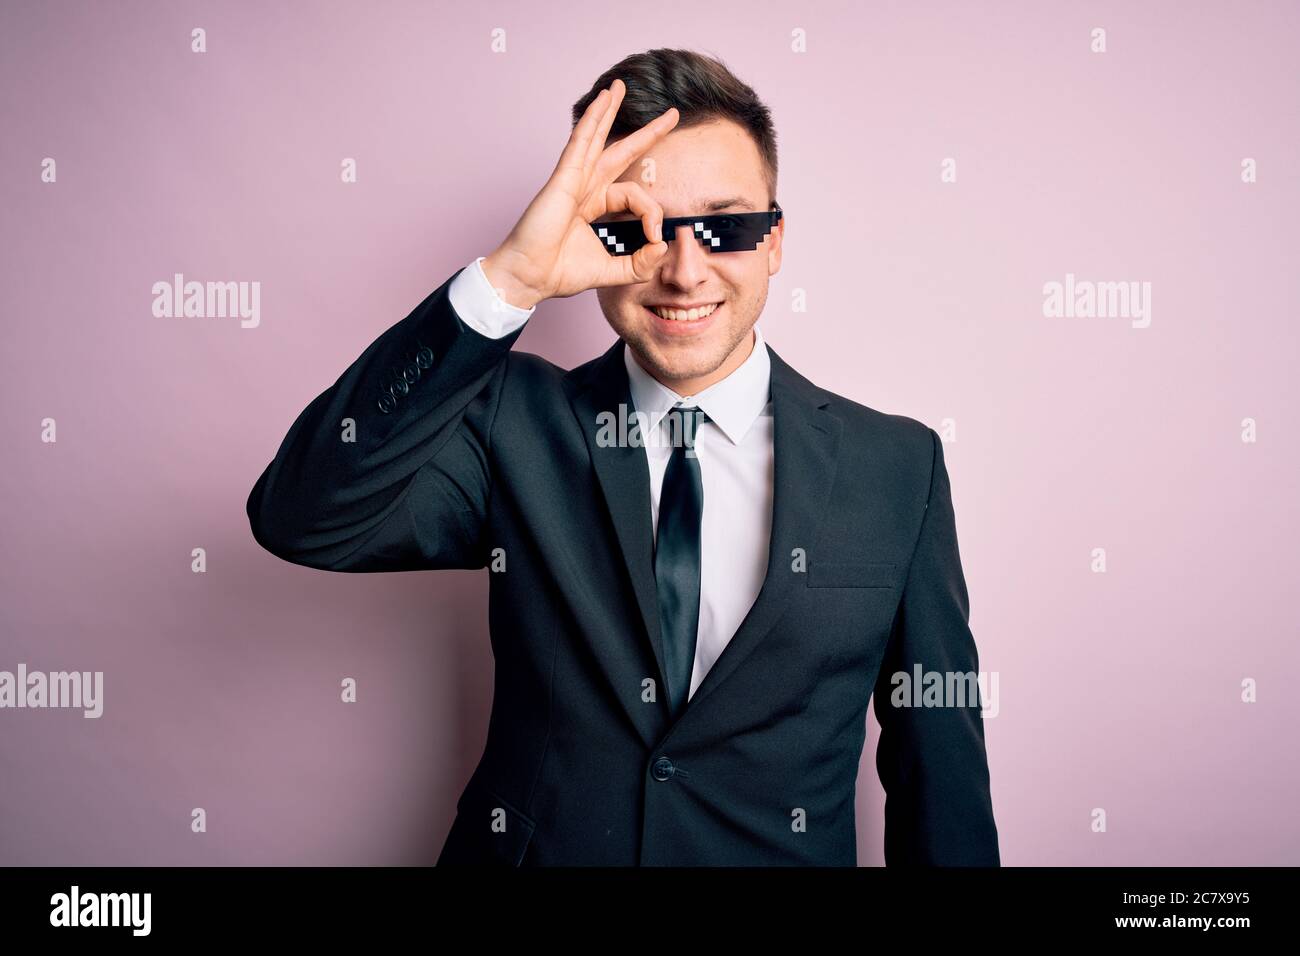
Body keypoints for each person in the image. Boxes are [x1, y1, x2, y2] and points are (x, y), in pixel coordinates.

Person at [246, 48, 999, 866]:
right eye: (635, 230)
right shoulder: (513, 421)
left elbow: (940, 774)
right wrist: (511, 280)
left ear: (775, 242)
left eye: (727, 226)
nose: (682, 271)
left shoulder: (897, 467)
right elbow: (303, 519)